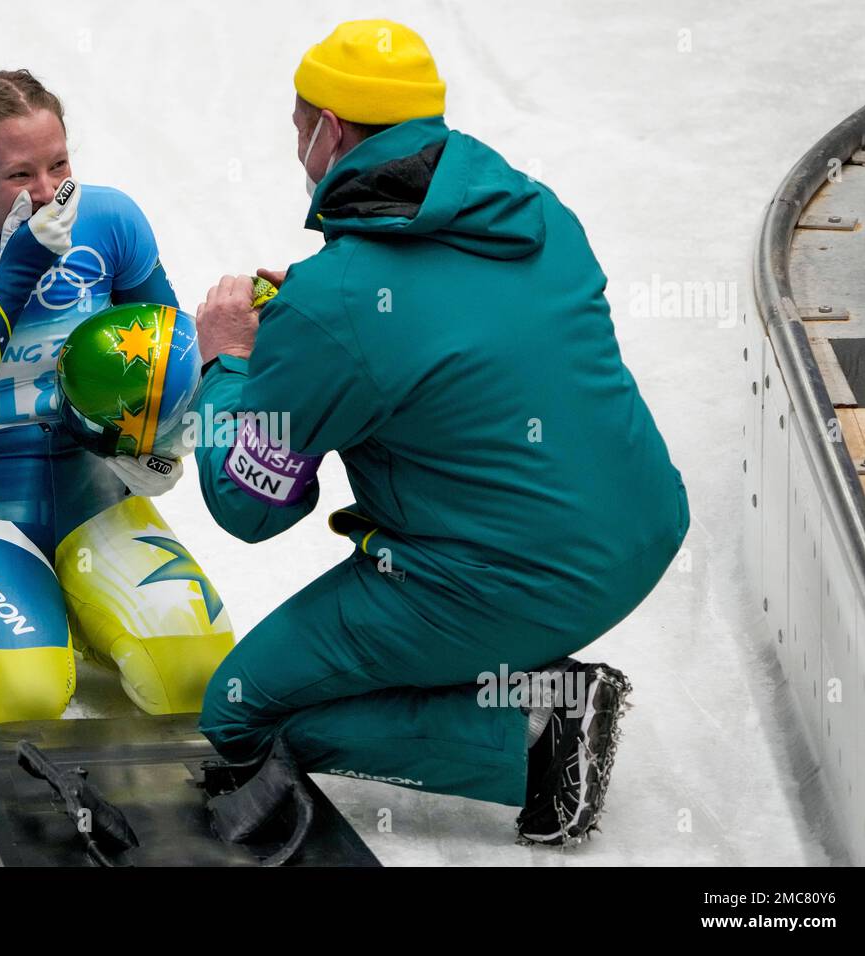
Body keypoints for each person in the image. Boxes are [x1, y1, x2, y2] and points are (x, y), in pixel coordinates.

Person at [191, 20, 689, 847]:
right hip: (642, 528)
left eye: (297, 126)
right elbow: (464, 349)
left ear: (333, 131)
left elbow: (251, 507)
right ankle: (509, 683)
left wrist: (232, 365)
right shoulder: (535, 209)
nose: (297, 145)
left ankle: (538, 738)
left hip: (510, 575)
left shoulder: (337, 303)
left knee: (239, 713)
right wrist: (316, 330)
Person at [0, 70, 233, 725]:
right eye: (19, 174)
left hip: (95, 490)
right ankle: (3, 601)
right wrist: (13, 278)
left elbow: (169, 354)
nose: (46, 193)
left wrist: (159, 443)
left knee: (196, 679)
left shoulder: (110, 218)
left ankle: (73, 603)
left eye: (59, 164)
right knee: (21, 701)